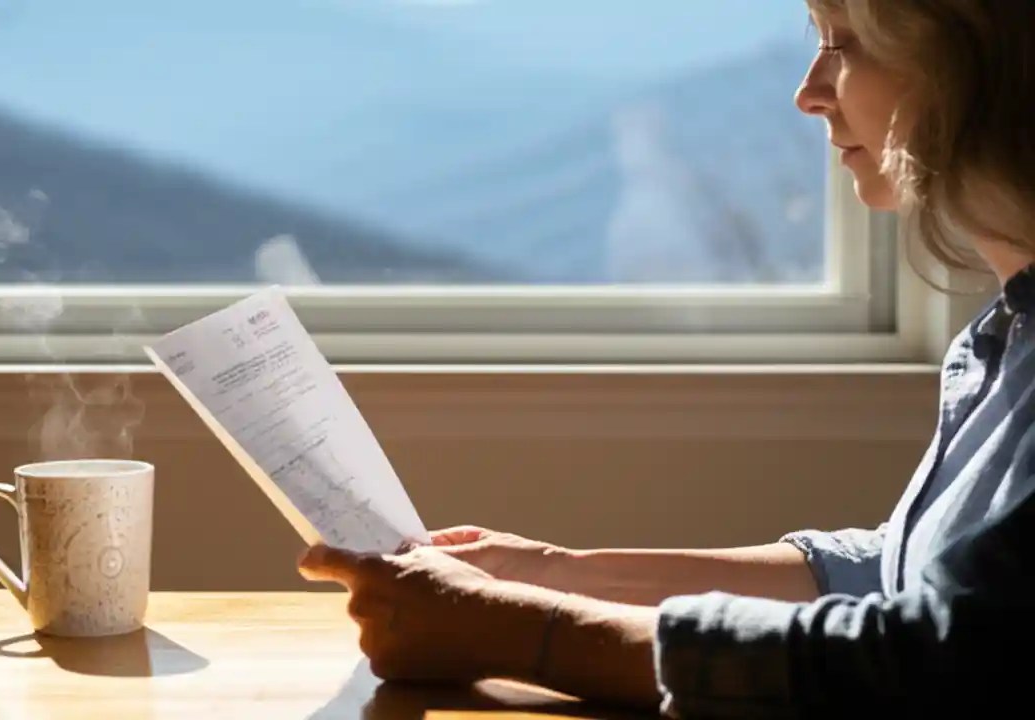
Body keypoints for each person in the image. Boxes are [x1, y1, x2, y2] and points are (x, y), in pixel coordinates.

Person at [296, 1, 1035, 717]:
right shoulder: (1003, 341)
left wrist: (526, 631)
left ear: (971, 68)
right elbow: (899, 576)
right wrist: (557, 574)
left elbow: (940, 659)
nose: (808, 93)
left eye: (844, 44)